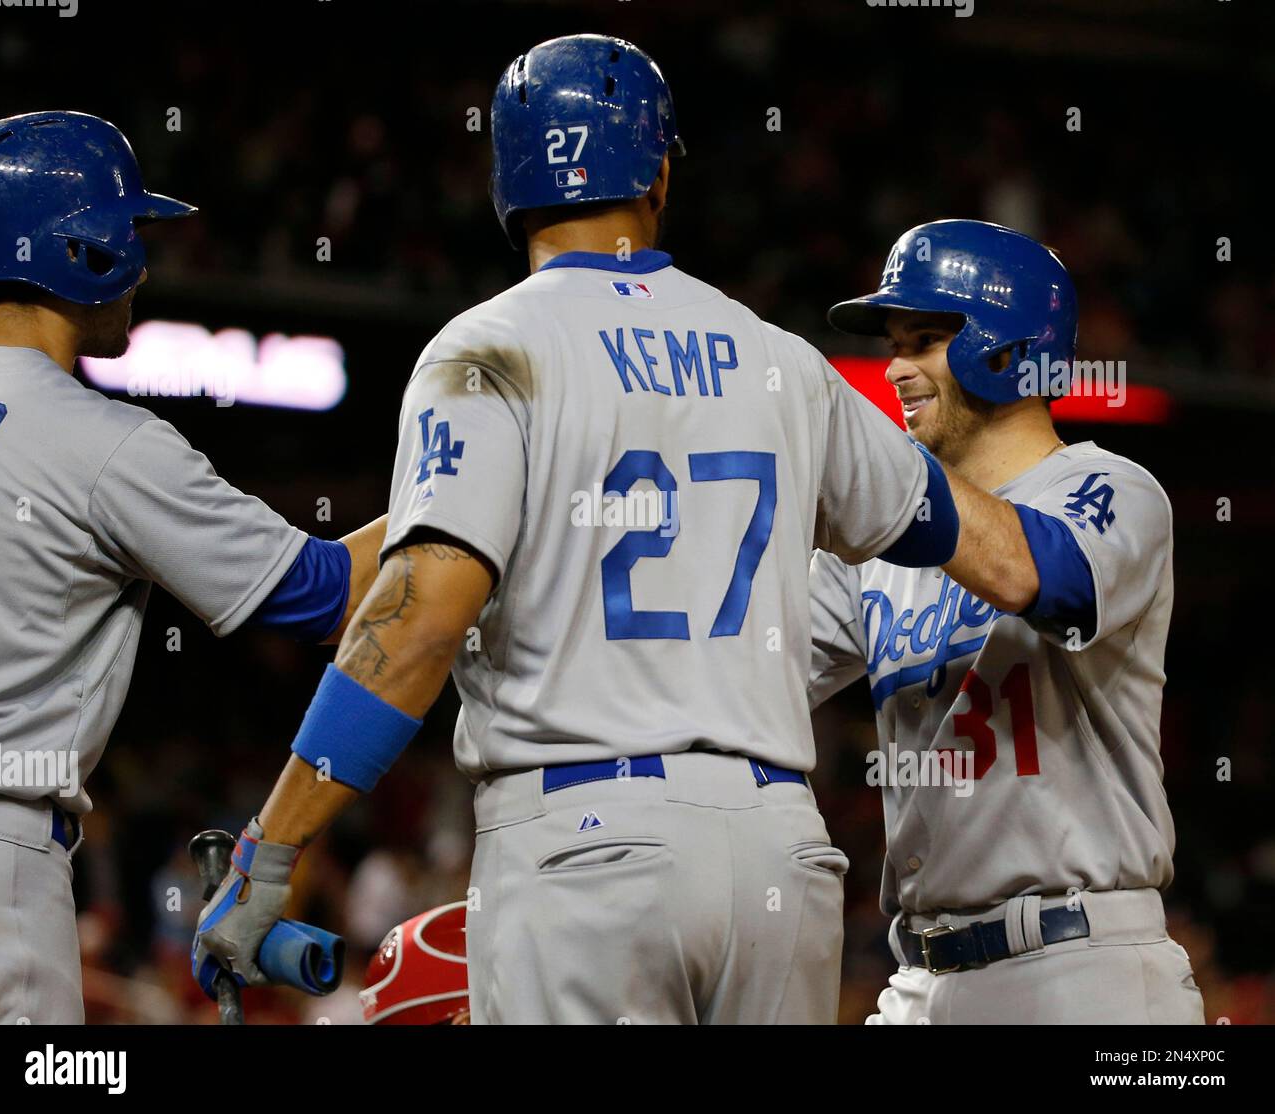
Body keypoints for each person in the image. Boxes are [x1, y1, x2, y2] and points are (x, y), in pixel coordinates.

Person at [193, 37, 1039, 1024]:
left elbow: (421, 614)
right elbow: (1000, 555)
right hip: (779, 851)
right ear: (660, 169)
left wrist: (273, 845)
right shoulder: (780, 360)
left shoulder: (487, 350)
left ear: (507, 178)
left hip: (587, 848)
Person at [0, 111, 384, 1024]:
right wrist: (460, 488)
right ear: (77, 250)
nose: (146, 264)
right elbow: (324, 596)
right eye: (128, 234)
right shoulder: (102, 441)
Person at [809, 218, 1204, 1024]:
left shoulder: (1112, 489)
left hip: (1082, 967)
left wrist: (878, 470)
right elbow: (744, 663)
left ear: (1001, 348)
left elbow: (1032, 572)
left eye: (922, 339)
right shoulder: (881, 542)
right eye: (896, 342)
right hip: (920, 974)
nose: (896, 368)